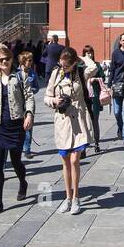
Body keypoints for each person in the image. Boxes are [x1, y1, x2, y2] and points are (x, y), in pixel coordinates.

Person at [0, 44, 32, 215]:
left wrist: (29, 114)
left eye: (7, 59)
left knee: (16, 161)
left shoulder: (20, 76)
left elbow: (29, 97)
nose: (4, 62)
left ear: (11, 59)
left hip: (16, 124)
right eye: (0, 59)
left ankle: (23, 182)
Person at [45, 47, 92, 215]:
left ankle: (76, 197)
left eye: (66, 65)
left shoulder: (81, 72)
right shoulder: (56, 74)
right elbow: (46, 96)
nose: (62, 68)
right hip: (62, 121)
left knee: (74, 161)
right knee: (65, 161)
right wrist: (54, 101)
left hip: (78, 120)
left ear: (73, 63)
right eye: (61, 64)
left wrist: (81, 59)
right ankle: (68, 197)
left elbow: (93, 67)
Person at [81, 43, 106, 154]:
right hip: (83, 97)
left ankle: (96, 143)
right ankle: (83, 147)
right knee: (83, 122)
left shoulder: (97, 65)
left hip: (94, 96)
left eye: (91, 52)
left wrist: (94, 79)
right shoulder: (80, 66)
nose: (89, 54)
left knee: (95, 120)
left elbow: (103, 77)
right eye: (87, 52)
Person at [17, 51, 39, 156]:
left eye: (31, 60)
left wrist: (30, 90)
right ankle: (18, 147)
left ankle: (27, 149)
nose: (30, 62)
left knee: (28, 126)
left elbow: (37, 87)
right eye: (28, 60)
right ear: (23, 61)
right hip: (17, 103)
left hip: (29, 102)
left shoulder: (33, 73)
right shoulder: (15, 73)